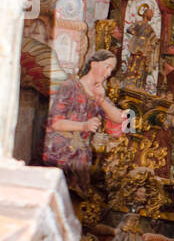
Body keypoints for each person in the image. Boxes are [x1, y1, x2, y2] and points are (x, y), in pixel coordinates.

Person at [42, 50, 128, 196]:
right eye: (107, 67)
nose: (108, 73)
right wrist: (84, 126)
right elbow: (55, 123)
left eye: (111, 70)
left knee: (76, 202)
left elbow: (125, 119)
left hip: (81, 158)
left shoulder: (98, 94)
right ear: (93, 64)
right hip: (60, 154)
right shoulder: (70, 86)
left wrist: (101, 101)